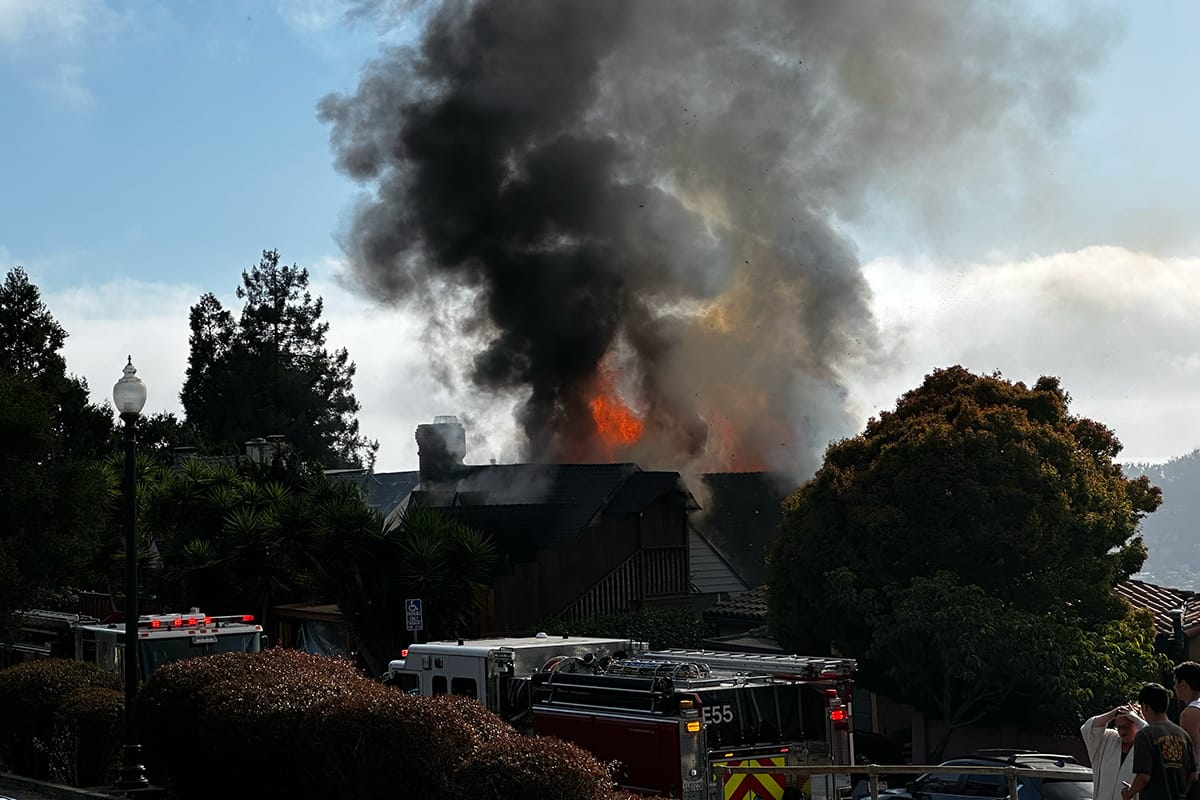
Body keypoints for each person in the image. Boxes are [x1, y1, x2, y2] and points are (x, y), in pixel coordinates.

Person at [1123, 683, 1198, 800]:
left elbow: (1143, 777)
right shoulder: (1184, 736)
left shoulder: (1145, 735)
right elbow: (1193, 776)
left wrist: (1129, 792)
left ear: (1145, 707)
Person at [1082, 703, 1148, 800]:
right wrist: (1113, 713)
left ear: (1137, 724)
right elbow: (1089, 728)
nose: (1122, 732)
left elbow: (1154, 737)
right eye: (1119, 727)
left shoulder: (1146, 745)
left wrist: (1135, 717)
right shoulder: (1108, 739)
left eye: (1126, 727)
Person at [1174, 662, 1200, 800]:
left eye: (1175, 683)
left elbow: (1191, 755)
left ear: (1183, 684)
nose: (1174, 688)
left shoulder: (1190, 713)